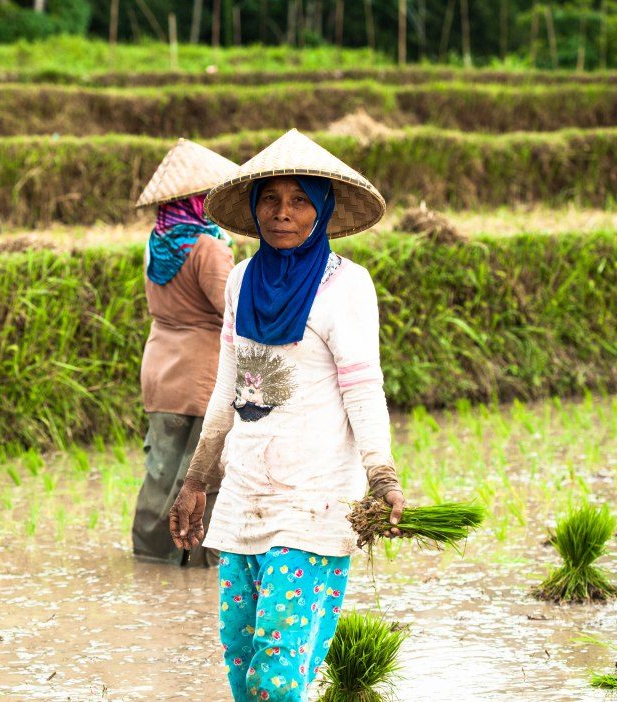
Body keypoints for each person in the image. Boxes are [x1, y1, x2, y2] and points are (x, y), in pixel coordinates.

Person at [168, 129, 405, 701]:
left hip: (314, 498)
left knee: (279, 669)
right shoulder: (244, 280)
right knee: (241, 659)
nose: (283, 213)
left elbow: (363, 388)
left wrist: (383, 476)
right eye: (270, 199)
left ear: (322, 208)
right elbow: (229, 384)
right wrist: (198, 479)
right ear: (253, 208)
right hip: (247, 495)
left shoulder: (346, 286)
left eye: (300, 200)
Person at [130, 138, 238, 567]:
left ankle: (150, 559)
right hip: (201, 372)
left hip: (160, 367)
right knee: (202, 475)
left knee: (160, 472)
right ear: (199, 201)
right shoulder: (210, 247)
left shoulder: (156, 242)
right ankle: (196, 564)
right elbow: (230, 310)